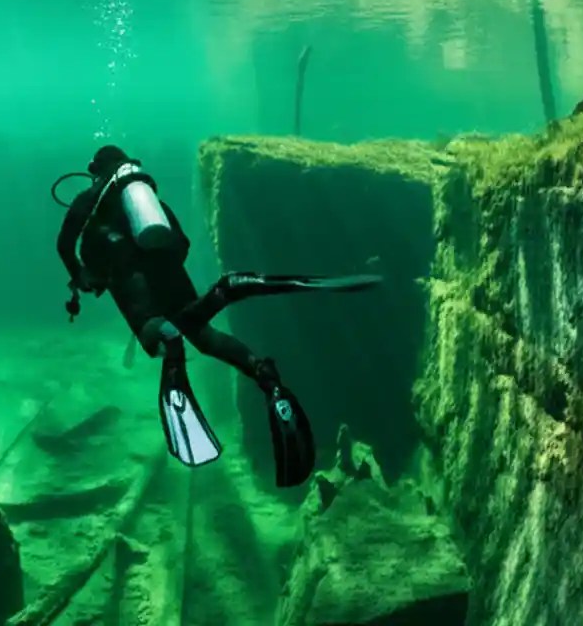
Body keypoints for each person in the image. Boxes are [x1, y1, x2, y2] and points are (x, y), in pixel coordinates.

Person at [55, 145, 380, 487]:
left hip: (133, 289)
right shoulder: (148, 200)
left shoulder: (89, 200)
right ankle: (259, 364)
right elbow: (181, 244)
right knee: (205, 335)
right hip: (172, 277)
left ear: (96, 170)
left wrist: (81, 272)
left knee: (161, 338)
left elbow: (64, 244)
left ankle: (171, 344)